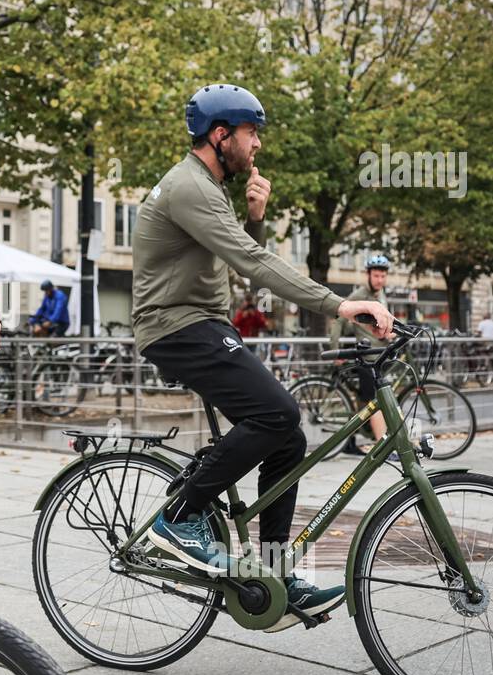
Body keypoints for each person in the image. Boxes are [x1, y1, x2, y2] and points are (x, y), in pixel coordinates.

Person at [131, 83, 393, 631]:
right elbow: (252, 262)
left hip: (202, 324)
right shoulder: (190, 188)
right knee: (278, 413)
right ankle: (180, 516)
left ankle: (274, 574)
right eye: (251, 133)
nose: (257, 146)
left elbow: (236, 261)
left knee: (289, 436)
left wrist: (253, 216)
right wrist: (342, 303)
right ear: (220, 135)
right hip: (176, 328)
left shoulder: (207, 188)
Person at [329, 254, 391, 455]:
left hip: (379, 354)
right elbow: (338, 319)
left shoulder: (382, 295)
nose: (380, 280)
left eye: (383, 276)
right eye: (376, 276)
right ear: (368, 275)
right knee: (375, 400)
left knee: (364, 401)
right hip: (367, 357)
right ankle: (383, 447)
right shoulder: (359, 294)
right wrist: (335, 348)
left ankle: (350, 441)